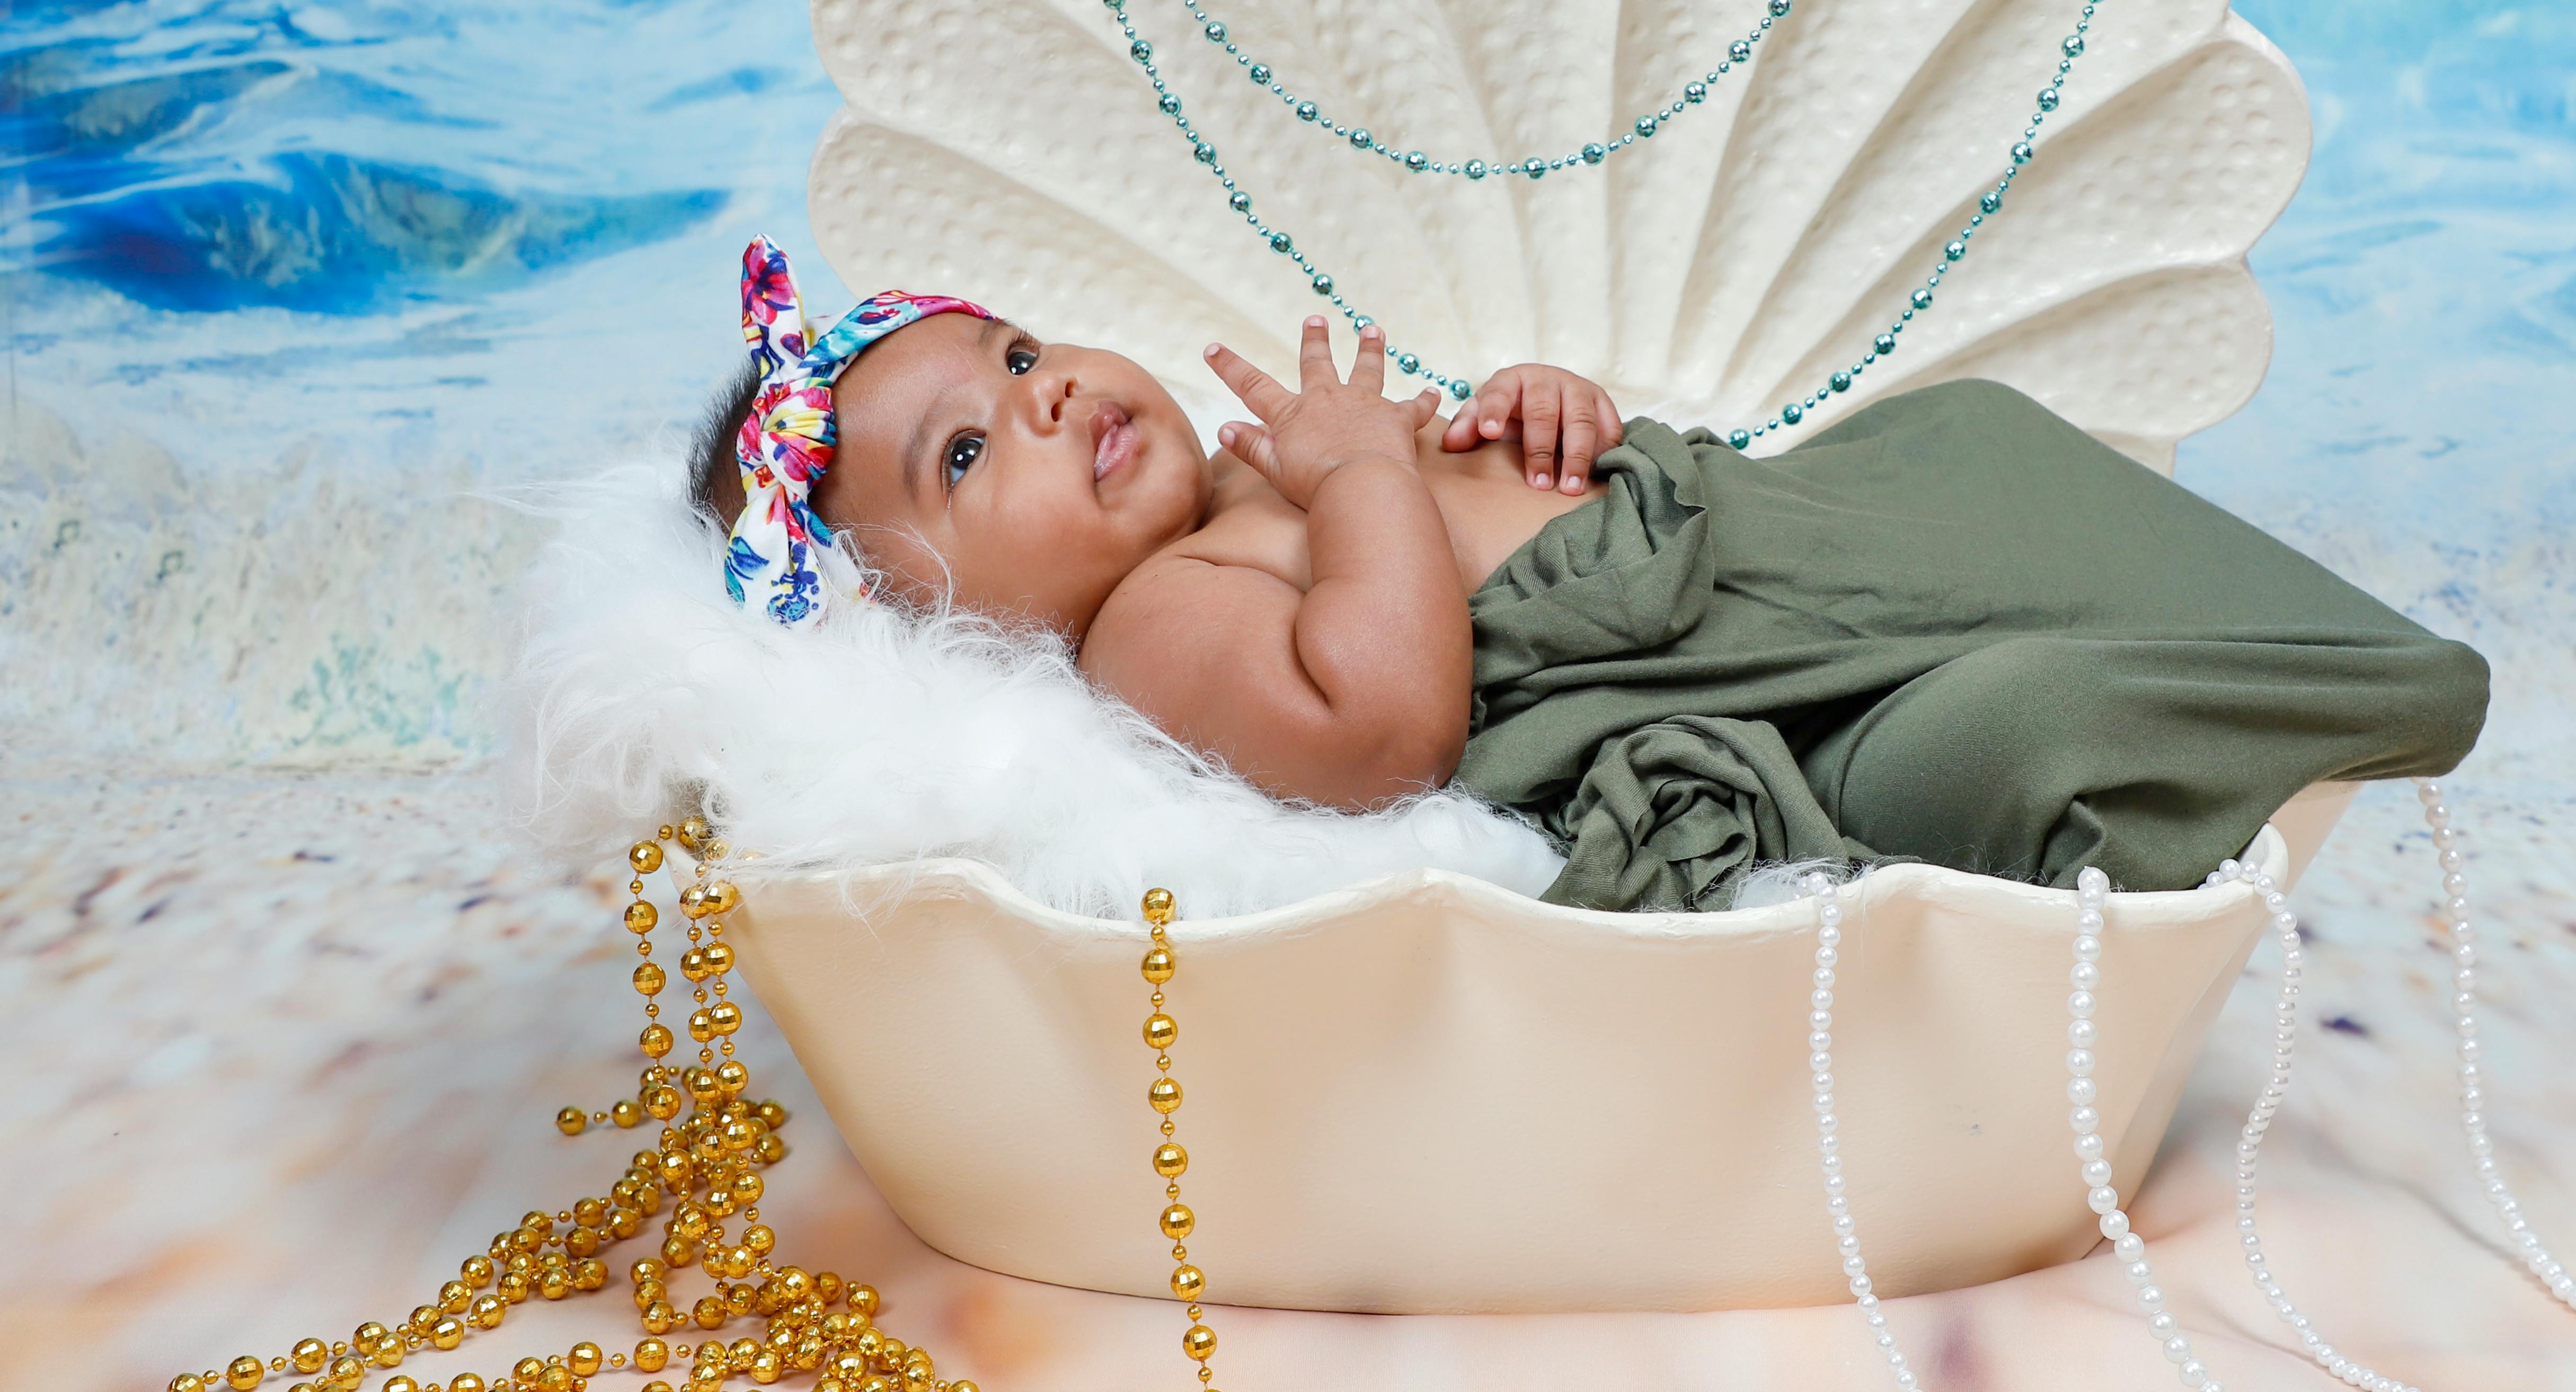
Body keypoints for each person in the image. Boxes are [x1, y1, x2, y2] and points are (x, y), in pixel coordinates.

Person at [699, 237, 2485, 911]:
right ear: (938, 618)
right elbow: (1387, 715)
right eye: (965, 454)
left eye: (1016, 354)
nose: (1048, 396)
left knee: (1975, 437)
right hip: (1734, 684)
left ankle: (2311, 653)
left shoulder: (1243, 478)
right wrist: (1368, 471)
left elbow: (1485, 485)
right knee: (2014, 730)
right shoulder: (1146, 640)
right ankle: (2355, 689)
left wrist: (1537, 409)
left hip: (1738, 540)